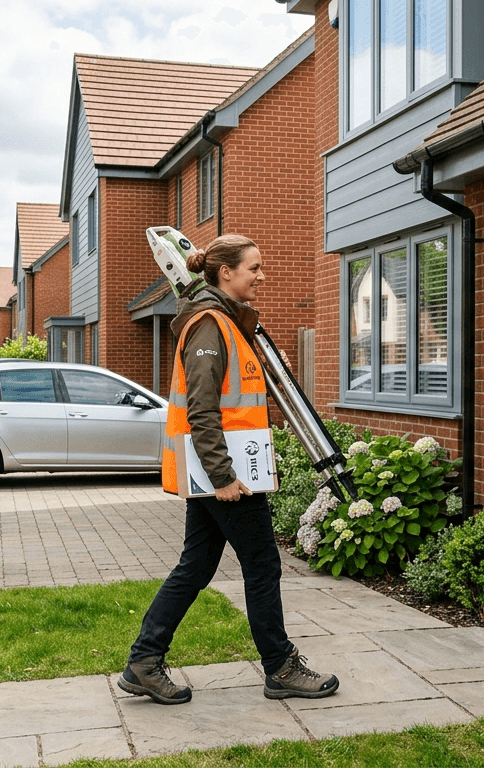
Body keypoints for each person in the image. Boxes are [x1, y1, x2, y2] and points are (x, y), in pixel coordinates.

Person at [119, 234, 339, 705]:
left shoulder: (224, 323)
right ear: (225, 273)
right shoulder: (210, 326)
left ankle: (144, 660)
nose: (262, 276)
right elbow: (201, 410)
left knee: (195, 565)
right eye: (254, 267)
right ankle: (279, 667)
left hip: (226, 472)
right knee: (262, 567)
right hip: (227, 477)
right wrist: (222, 477)